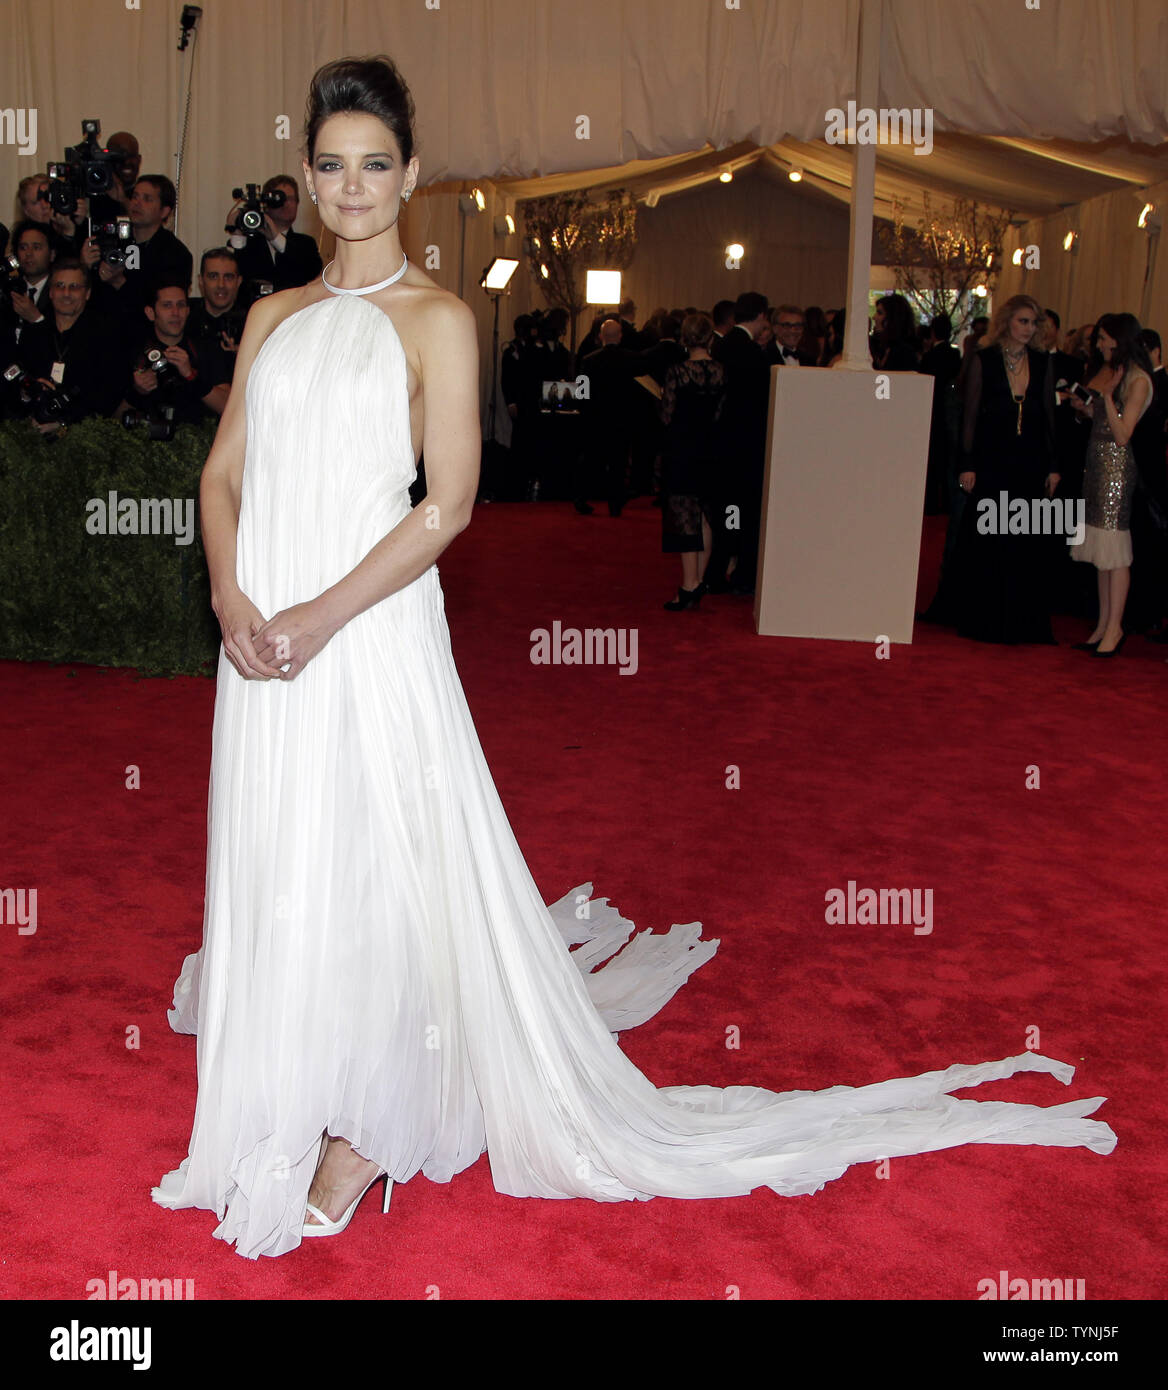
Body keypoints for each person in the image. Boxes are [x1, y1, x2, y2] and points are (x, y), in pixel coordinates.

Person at [151, 55, 1116, 1261]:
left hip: (365, 627)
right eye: (332, 165)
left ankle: (365, 1126)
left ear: (413, 175)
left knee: (383, 858)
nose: (353, 187)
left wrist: (317, 615)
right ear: (306, 176)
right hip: (261, 639)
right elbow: (220, 471)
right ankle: (287, 1070)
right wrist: (235, 596)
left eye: (376, 165)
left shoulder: (438, 320)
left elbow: (447, 507)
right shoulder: (272, 316)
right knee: (284, 845)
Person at [953, 294, 1061, 644]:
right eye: (1023, 322)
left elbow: (1048, 417)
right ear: (1007, 323)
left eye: (1033, 323)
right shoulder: (983, 359)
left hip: (1029, 464)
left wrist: (1053, 466)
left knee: (1025, 541)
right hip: (992, 461)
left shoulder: (1043, 364)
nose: (1029, 329)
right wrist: (967, 463)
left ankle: (1021, 621)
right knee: (990, 538)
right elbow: (969, 415)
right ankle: (986, 618)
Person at [1068, 313, 1154, 657]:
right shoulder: (1115, 374)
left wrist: (1103, 397)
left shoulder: (1138, 380)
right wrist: (1086, 408)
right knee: (1102, 549)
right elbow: (1104, 422)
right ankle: (1104, 624)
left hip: (1118, 470)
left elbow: (1123, 435)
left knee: (1116, 552)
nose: (1100, 344)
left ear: (1121, 340)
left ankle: (1115, 627)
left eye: (1105, 338)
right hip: (1095, 465)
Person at [658, 313, 724, 609]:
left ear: (684, 339)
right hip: (712, 449)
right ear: (711, 338)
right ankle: (697, 581)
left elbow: (667, 416)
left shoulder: (677, 372)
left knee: (686, 515)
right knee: (706, 515)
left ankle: (689, 584)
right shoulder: (724, 371)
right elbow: (723, 414)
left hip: (683, 449)